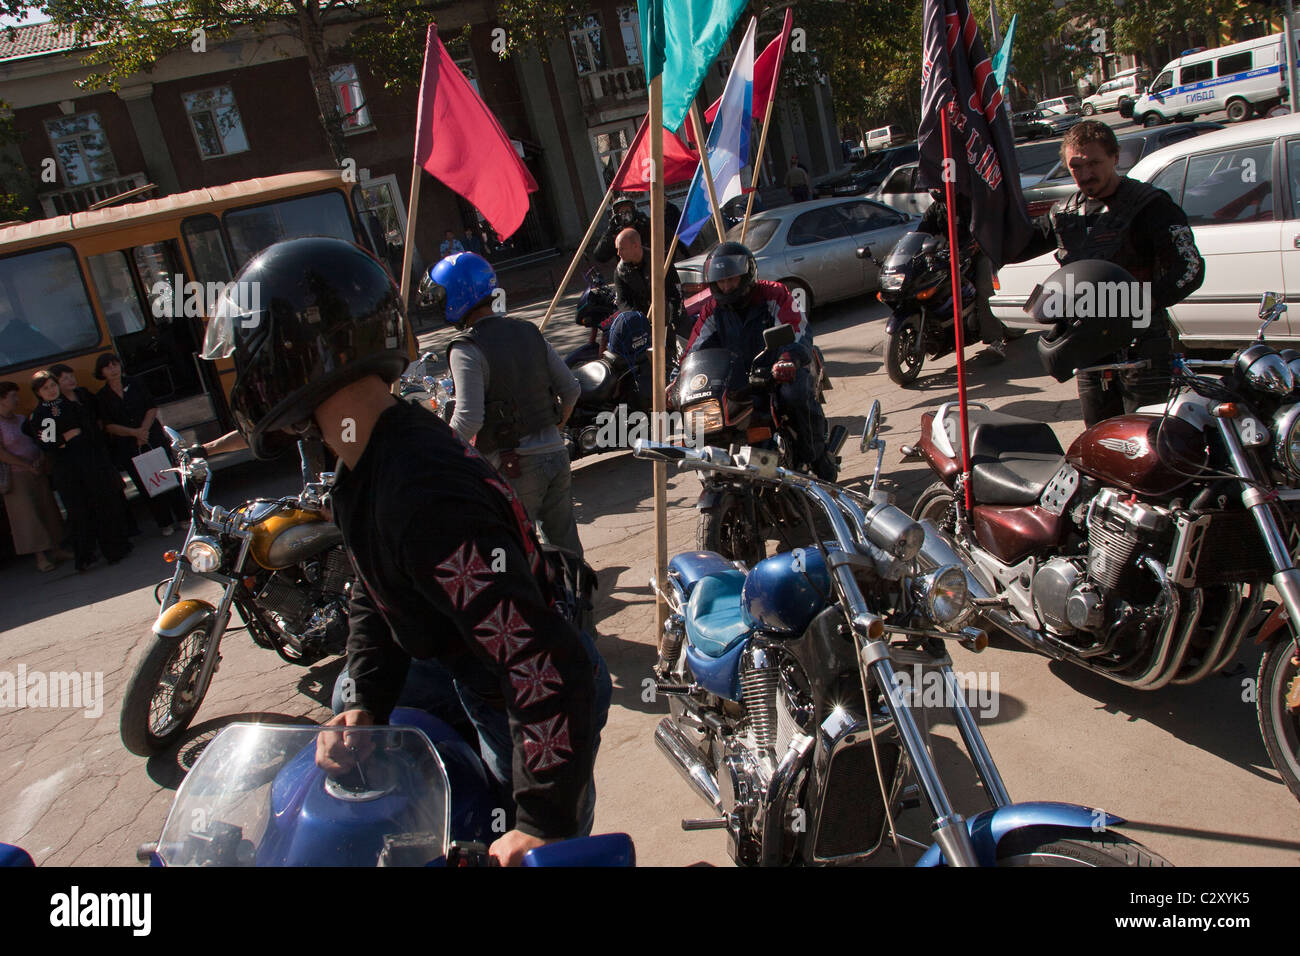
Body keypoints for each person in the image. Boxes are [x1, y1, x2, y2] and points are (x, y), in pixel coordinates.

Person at [200, 236, 609, 866]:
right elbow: (376, 584)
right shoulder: (364, 460)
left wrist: (541, 822)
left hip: (520, 697)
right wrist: (365, 694)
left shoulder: (421, 498)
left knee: (520, 845)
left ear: (294, 361)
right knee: (346, 705)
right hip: (462, 663)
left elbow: (543, 665)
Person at [1012, 121, 1206, 426]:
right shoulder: (1065, 213)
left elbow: (1190, 268)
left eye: (1094, 163)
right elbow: (1013, 247)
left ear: (1115, 158)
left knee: (1148, 443)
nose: (1086, 174)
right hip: (1088, 349)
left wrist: (1140, 304)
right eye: (1077, 166)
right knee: (1100, 443)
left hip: (1143, 347)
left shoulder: (1151, 205)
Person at [428, 252, 585, 558]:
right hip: (556, 453)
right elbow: (571, 389)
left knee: (515, 554)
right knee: (567, 550)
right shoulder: (528, 330)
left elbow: (470, 419)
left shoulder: (466, 348)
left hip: (514, 466)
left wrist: (439, 452)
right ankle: (581, 603)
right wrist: (554, 428)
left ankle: (539, 604)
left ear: (456, 295)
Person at [676, 241, 837, 481]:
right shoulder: (712, 310)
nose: (727, 286)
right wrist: (677, 380)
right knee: (708, 420)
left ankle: (817, 456)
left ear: (747, 275)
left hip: (781, 371)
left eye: (732, 280)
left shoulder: (774, 294)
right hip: (738, 379)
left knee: (793, 396)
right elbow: (694, 349)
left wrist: (787, 358)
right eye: (721, 281)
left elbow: (797, 329)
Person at [24, 370, 132, 571]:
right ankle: (85, 555)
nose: (51, 390)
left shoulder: (72, 406)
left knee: (101, 505)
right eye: (45, 388)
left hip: (88, 463)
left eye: (53, 386)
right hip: (66, 470)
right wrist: (66, 438)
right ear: (38, 392)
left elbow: (90, 432)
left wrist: (69, 438)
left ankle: (113, 549)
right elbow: (48, 443)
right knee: (78, 511)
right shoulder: (39, 414)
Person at [94, 353, 190, 536]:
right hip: (129, 445)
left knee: (170, 477)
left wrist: (143, 431)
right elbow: (108, 425)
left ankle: (184, 516)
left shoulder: (135, 382)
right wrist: (134, 433)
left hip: (152, 437)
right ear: (101, 372)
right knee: (146, 484)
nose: (113, 369)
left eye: (115, 365)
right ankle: (164, 522)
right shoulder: (102, 396)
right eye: (107, 367)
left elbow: (151, 407)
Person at [916, 190, 1010, 359]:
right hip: (951, 255)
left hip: (980, 251)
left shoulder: (966, 202)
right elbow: (921, 232)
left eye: (939, 186)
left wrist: (968, 250)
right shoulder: (936, 208)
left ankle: (995, 340)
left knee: (984, 290)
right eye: (933, 187)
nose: (936, 190)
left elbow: (979, 230)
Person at [50, 362, 138, 536]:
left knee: (115, 487)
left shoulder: (83, 394)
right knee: (98, 495)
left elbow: (100, 414)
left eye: (71, 376)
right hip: (80, 455)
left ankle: (129, 526)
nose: (70, 380)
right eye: (64, 378)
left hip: (99, 447)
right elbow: (49, 439)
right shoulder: (56, 406)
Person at [0, 380, 71, 572]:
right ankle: (40, 557)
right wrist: (26, 465)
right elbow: (2, 453)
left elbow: (39, 439)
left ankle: (56, 548)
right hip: (17, 475)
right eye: (12, 396)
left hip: (37, 470)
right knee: (27, 516)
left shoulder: (22, 418)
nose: (17, 399)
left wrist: (40, 458)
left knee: (48, 509)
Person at [612, 227, 688, 357]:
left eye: (622, 249)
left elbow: (676, 292)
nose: (618, 253)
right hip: (643, 323)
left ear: (635, 246)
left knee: (683, 350)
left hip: (669, 316)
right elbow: (622, 301)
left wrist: (672, 316)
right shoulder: (620, 272)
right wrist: (637, 320)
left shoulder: (660, 260)